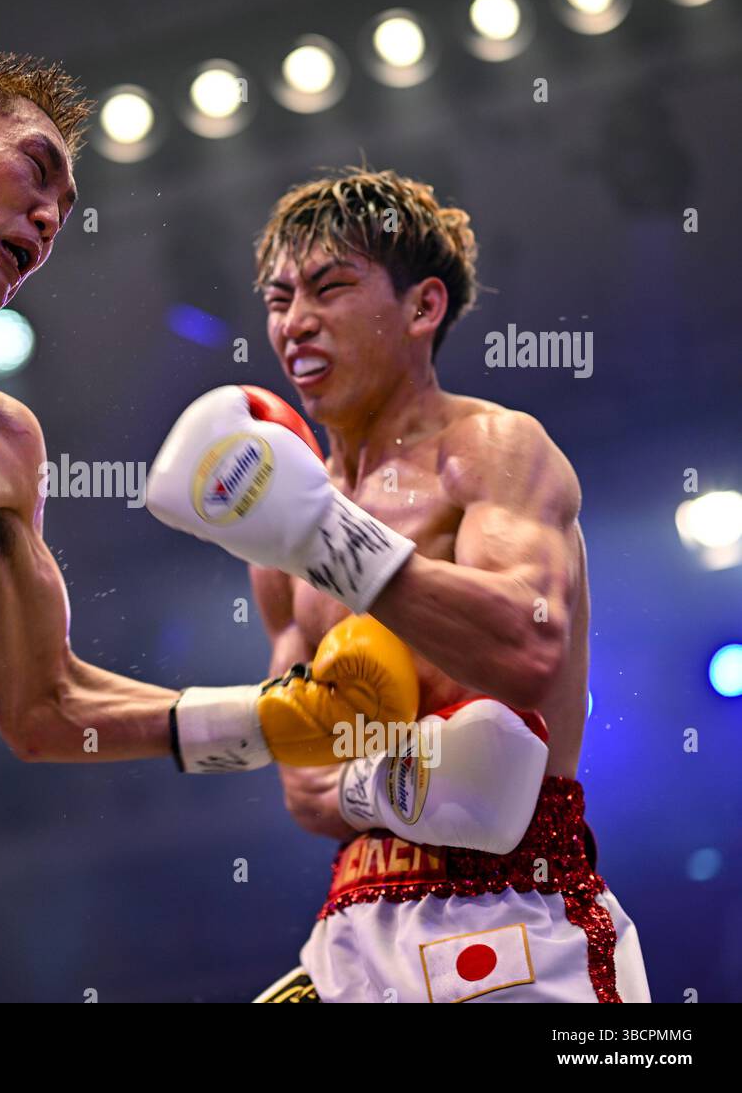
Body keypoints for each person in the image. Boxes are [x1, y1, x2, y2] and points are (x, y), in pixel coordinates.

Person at [145, 168, 651, 1003]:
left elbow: (526, 647)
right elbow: (304, 786)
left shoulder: (494, 449)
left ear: (422, 309)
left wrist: (323, 533)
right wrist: (397, 784)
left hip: (517, 906)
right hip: (354, 920)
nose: (295, 322)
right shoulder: (280, 534)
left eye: (330, 288)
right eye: (278, 300)